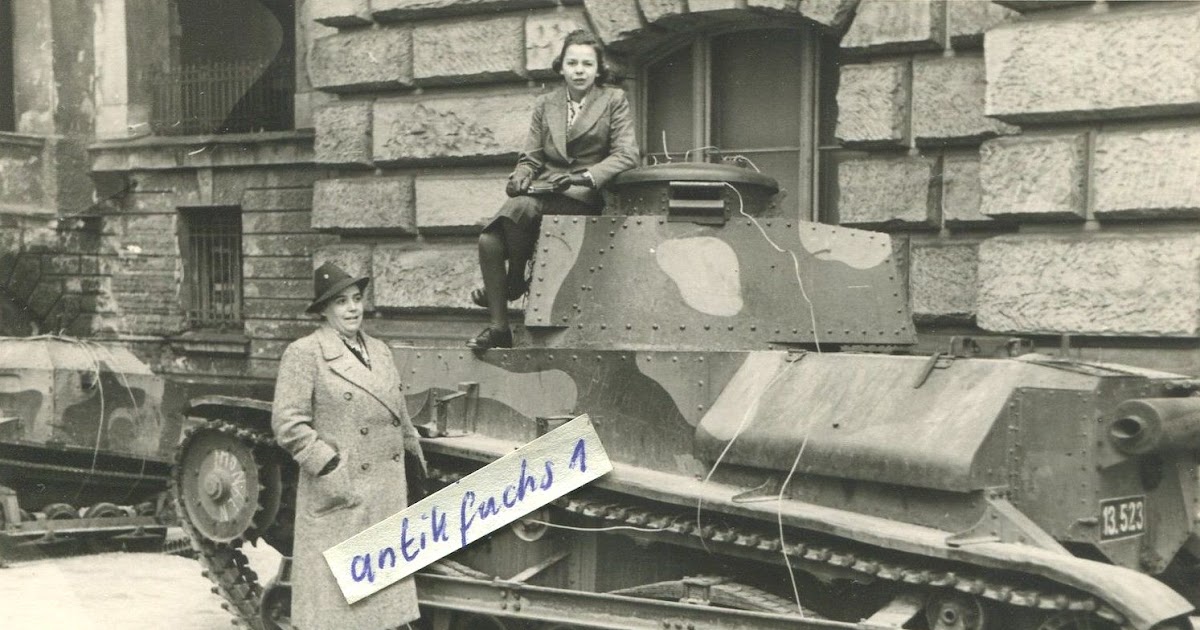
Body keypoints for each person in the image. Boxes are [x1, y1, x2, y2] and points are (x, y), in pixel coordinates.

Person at [271, 261, 426, 630]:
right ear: (324, 310)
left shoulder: (379, 350)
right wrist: (329, 466)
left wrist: (414, 464)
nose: (353, 308)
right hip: (342, 495)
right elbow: (287, 423)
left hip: (384, 494)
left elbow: (399, 415)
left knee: (381, 609)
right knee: (338, 611)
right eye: (341, 302)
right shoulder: (305, 352)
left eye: (356, 299)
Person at [468, 29, 640, 350]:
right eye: (572, 63)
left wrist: (581, 178)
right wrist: (521, 175)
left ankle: (515, 281)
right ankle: (500, 326)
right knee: (489, 238)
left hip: (583, 198)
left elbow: (627, 155)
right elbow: (531, 157)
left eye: (587, 64)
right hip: (543, 192)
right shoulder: (546, 104)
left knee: (521, 211)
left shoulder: (613, 100)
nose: (579, 70)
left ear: (598, 70)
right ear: (560, 66)